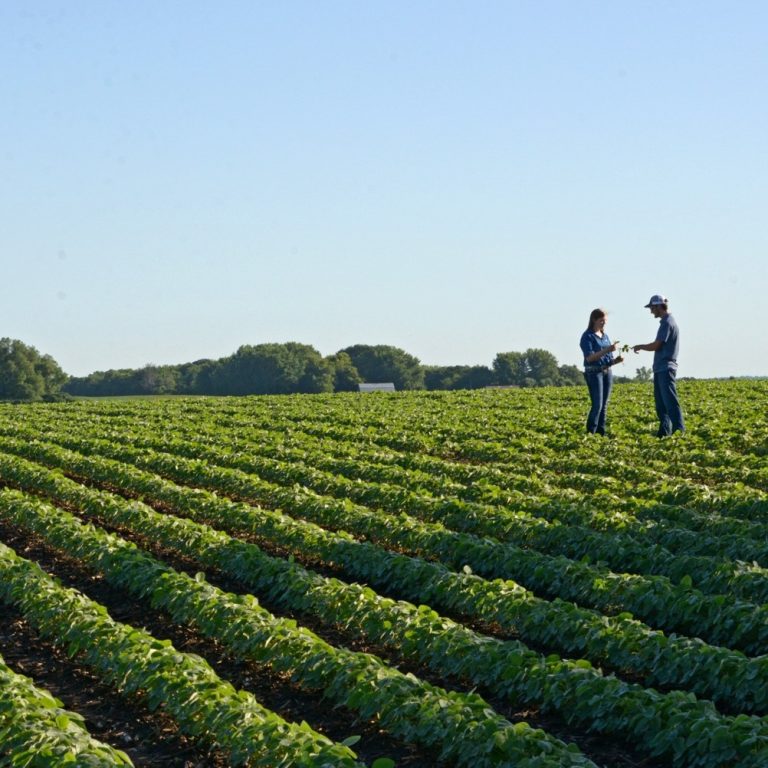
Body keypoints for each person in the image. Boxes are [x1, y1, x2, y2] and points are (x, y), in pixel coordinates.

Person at [633, 294, 685, 436]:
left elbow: (657, 345)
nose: (651, 311)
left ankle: (679, 432)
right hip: (660, 368)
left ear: (658, 306)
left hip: (666, 368)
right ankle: (664, 432)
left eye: (652, 308)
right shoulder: (666, 321)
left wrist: (641, 346)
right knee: (661, 404)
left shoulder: (667, 323)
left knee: (670, 402)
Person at [579, 308, 623, 435]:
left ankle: (600, 433)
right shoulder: (587, 336)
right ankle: (590, 433)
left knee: (604, 406)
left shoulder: (605, 336)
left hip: (606, 372)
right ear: (594, 320)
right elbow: (590, 357)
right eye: (602, 320)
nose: (604, 323)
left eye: (605, 321)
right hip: (594, 373)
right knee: (597, 405)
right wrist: (608, 349)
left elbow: (606, 360)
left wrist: (616, 361)